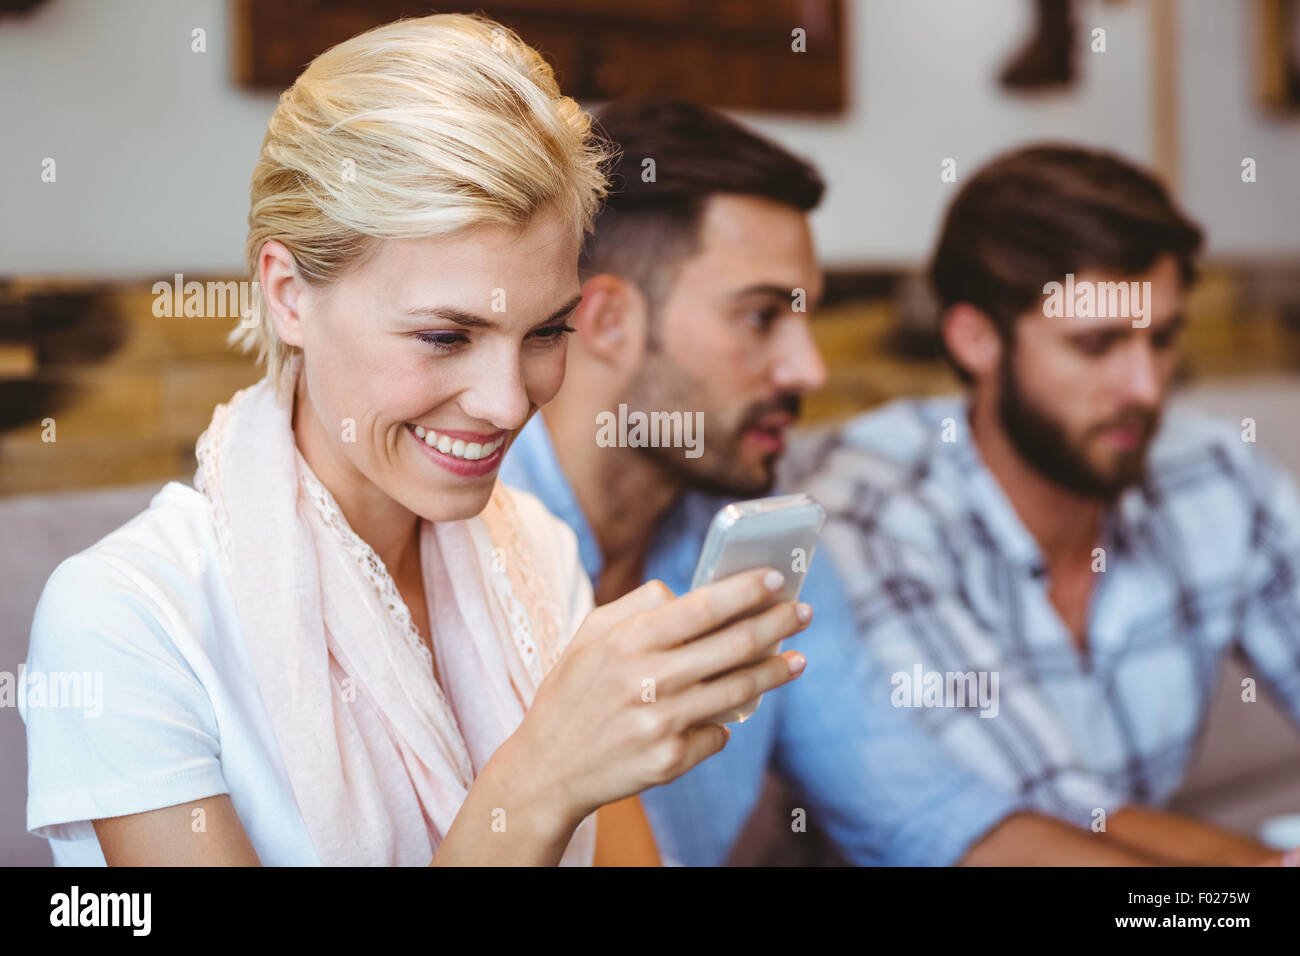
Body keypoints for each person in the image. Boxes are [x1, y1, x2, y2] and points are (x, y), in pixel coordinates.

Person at [19, 15, 813, 866]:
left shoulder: (538, 553)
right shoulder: (127, 618)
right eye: (445, 337)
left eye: (546, 332)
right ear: (289, 294)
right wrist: (537, 781)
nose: (509, 403)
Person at [500, 101, 1176, 865]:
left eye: (808, 320)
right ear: (609, 321)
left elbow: (926, 819)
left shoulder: (761, 538)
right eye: (762, 318)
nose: (810, 371)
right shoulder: (461, 540)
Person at [786, 144, 1300, 866]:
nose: (1146, 388)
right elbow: (1049, 814)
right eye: (1098, 345)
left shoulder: (1211, 468)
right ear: (976, 339)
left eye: (1162, 340)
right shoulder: (873, 508)